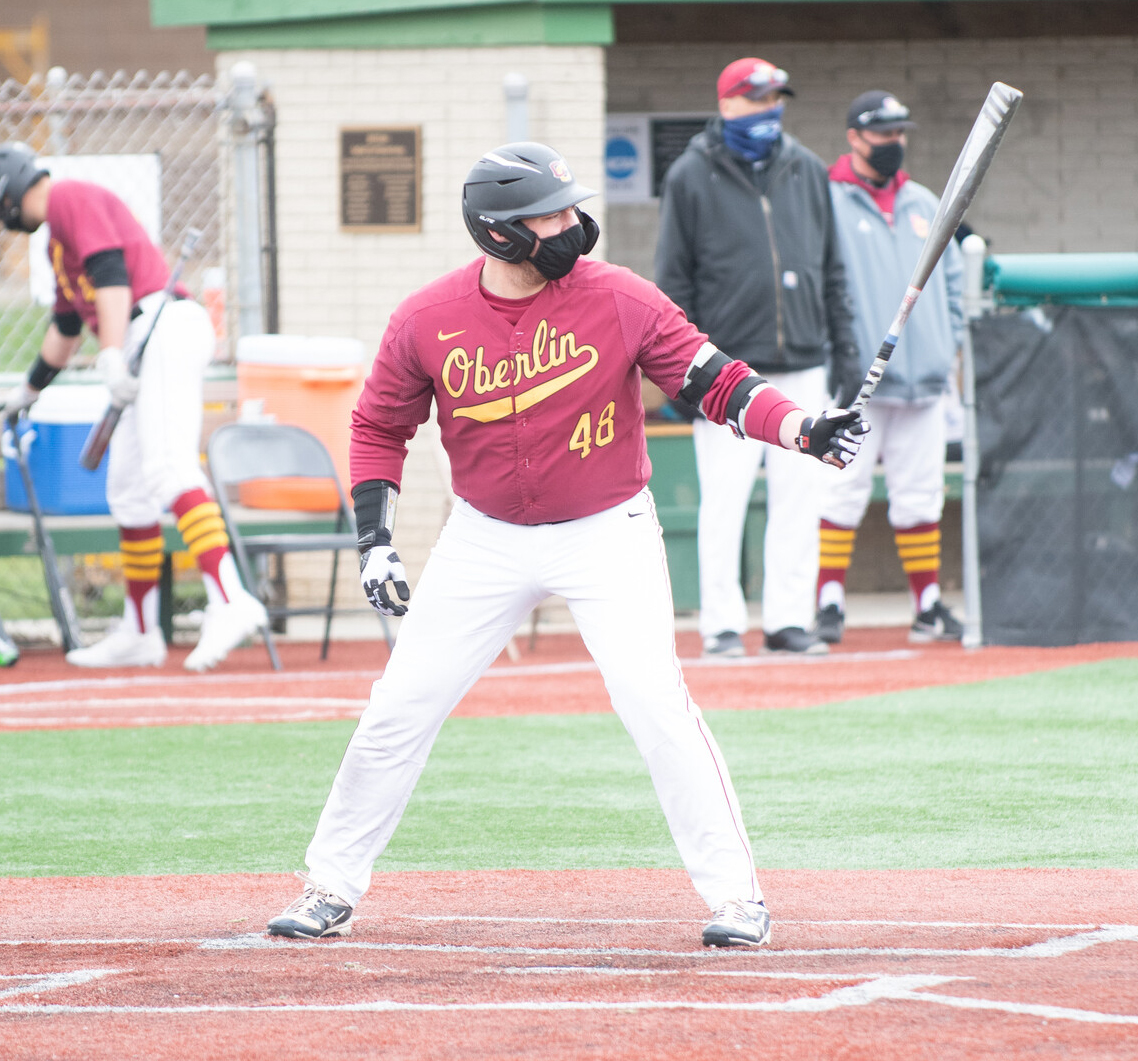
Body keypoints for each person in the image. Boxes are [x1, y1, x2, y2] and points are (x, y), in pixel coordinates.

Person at [266, 142, 867, 947]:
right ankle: (329, 886)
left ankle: (737, 898)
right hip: (483, 537)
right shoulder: (425, 317)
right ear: (500, 233)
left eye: (569, 207)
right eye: (548, 214)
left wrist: (799, 426)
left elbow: (713, 379)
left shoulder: (620, 297)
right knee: (397, 709)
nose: (570, 224)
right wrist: (375, 541)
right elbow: (379, 424)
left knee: (657, 706)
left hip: (605, 529)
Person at [0, 141, 267, 671]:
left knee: (169, 467)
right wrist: (28, 392)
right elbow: (69, 325)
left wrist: (115, 356)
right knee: (127, 489)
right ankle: (141, 630)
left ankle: (231, 599)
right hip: (142, 338)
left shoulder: (69, 198)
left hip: (159, 326)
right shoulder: (56, 240)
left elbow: (112, 279)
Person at [655, 57, 863, 658]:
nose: (770, 109)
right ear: (727, 104)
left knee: (801, 500)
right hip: (724, 372)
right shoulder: (691, 175)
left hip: (803, 358)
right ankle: (722, 623)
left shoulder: (806, 168)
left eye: (776, 98)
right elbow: (674, 283)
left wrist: (843, 350)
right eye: (757, 97)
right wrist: (683, 372)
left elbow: (833, 270)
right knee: (725, 501)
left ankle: (787, 619)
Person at [814, 91, 965, 645]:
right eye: (884, 135)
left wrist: (950, 344)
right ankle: (828, 600)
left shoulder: (925, 201)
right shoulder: (826, 199)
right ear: (855, 137)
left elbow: (951, 286)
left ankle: (927, 604)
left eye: (900, 134)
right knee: (840, 490)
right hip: (858, 383)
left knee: (921, 495)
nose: (893, 144)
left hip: (923, 376)